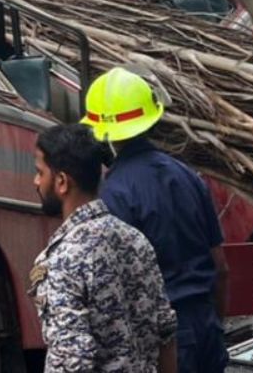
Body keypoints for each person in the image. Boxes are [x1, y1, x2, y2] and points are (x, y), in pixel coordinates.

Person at [83, 68, 229, 373]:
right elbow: (221, 266)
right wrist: (214, 322)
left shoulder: (115, 193)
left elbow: (122, 288)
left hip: (167, 338)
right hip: (206, 326)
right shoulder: (188, 176)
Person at [31, 124, 178, 373]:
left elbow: (71, 360)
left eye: (40, 172)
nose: (35, 181)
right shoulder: (135, 240)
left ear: (62, 182)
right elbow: (165, 334)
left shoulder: (63, 258)